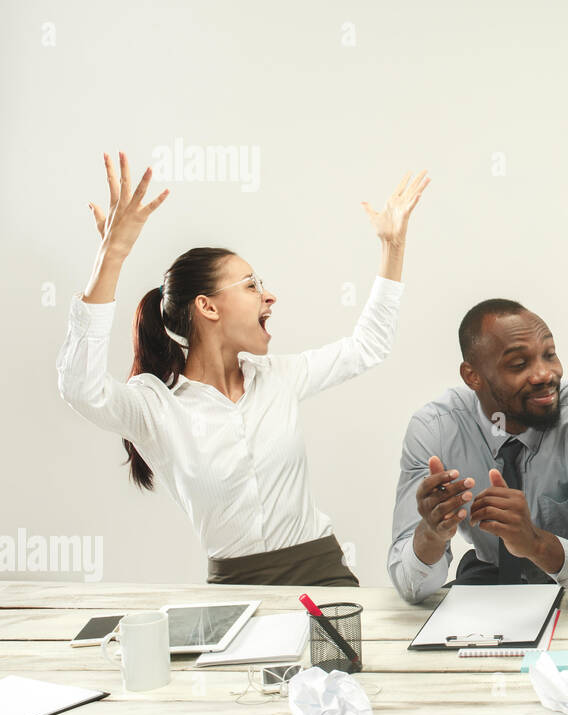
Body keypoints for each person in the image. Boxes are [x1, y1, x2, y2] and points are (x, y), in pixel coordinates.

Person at [56, 152, 428, 586]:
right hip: (235, 590)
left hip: (323, 574)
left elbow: (368, 346)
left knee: (334, 659)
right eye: (252, 286)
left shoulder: (278, 378)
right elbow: (79, 386)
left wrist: (393, 246)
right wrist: (112, 256)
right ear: (207, 306)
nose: (269, 297)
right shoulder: (154, 406)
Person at [388, 300, 568, 602]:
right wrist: (432, 534)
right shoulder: (435, 429)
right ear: (472, 376)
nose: (545, 374)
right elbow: (410, 587)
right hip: (490, 575)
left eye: (550, 355)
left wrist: (533, 543)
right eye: (519, 364)